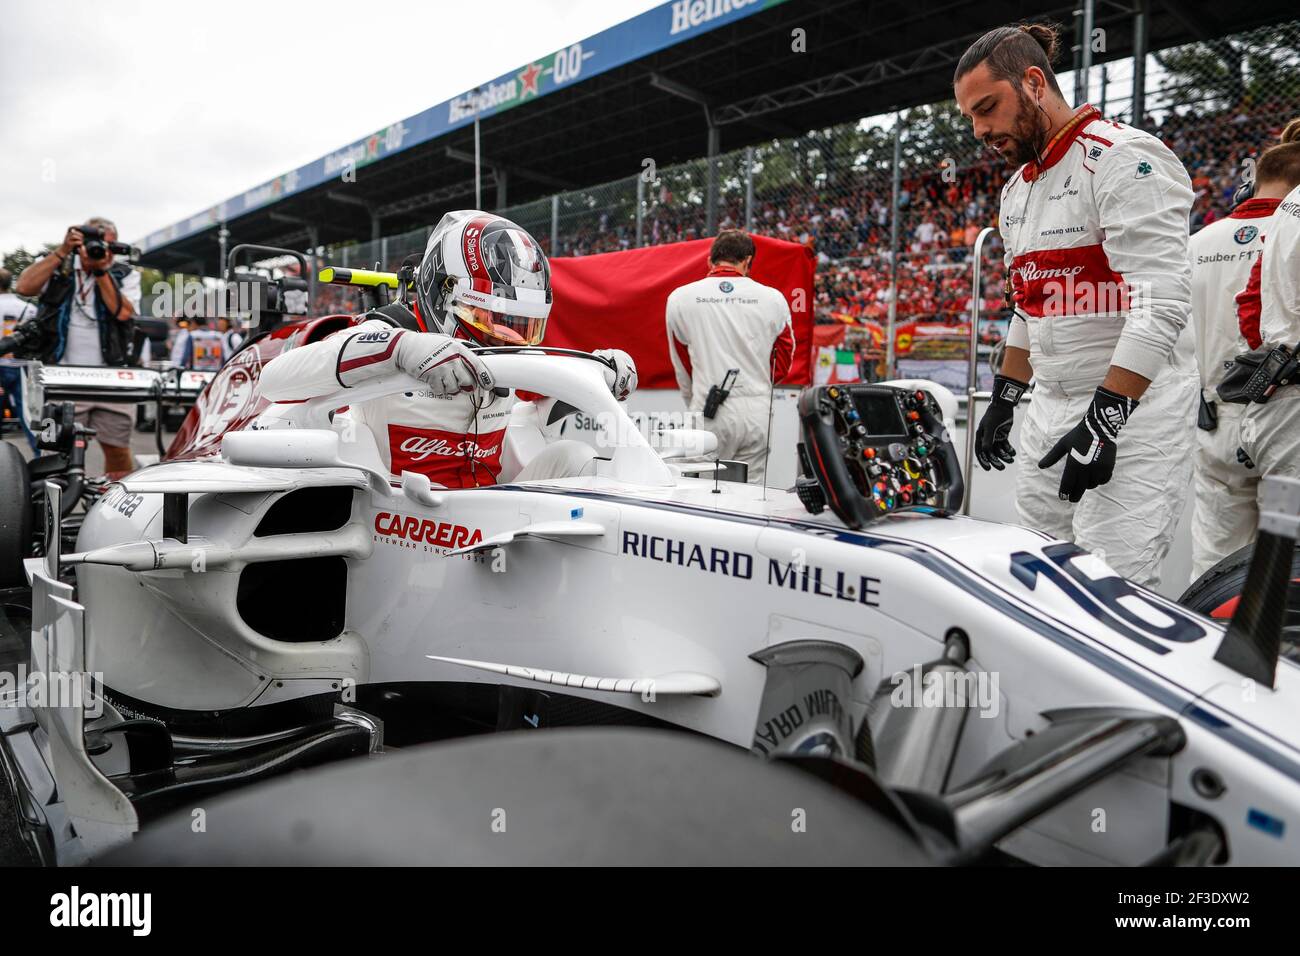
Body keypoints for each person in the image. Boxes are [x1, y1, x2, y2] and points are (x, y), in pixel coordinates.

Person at [956, 22, 1198, 588]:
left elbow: (1160, 301)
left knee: (1109, 592)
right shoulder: (1015, 189)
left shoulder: (1126, 157)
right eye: (969, 116)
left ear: (1035, 82)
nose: (979, 129)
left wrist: (1107, 417)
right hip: (1049, 409)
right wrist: (1004, 400)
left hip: (1136, 415)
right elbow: (1028, 307)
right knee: (1039, 582)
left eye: (987, 107)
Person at [259, 211, 637, 487]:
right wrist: (401, 349)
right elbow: (273, 381)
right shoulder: (388, 331)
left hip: (491, 510)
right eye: (492, 319)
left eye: (524, 324)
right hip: (405, 520)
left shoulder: (509, 344)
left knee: (576, 458)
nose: (509, 339)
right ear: (446, 295)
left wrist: (600, 370)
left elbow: (548, 391)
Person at [1187, 120, 1300, 580]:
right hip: (1282, 412)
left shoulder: (1195, 244)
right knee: (1283, 560)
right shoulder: (1288, 234)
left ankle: (1205, 642)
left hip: (1213, 423)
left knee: (1213, 565)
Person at [664, 230, 796, 484]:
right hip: (757, 410)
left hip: (708, 407)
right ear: (747, 261)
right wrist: (759, 385)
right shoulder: (774, 299)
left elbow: (681, 361)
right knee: (750, 498)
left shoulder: (681, 298)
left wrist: (695, 400)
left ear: (710, 261)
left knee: (698, 494)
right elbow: (784, 358)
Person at [14, 219, 142, 479]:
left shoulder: (125, 274)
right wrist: (61, 251)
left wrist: (100, 271)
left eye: (104, 244)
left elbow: (123, 313)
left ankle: (112, 508)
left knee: (118, 451)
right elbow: (24, 287)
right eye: (90, 243)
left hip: (112, 376)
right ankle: (54, 511)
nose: (96, 248)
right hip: (60, 376)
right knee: (55, 453)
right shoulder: (59, 268)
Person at [1234, 140, 1300, 494]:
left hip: (1277, 400)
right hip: (1289, 398)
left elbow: (1250, 300)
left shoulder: (1289, 205)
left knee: (1279, 540)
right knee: (1281, 539)